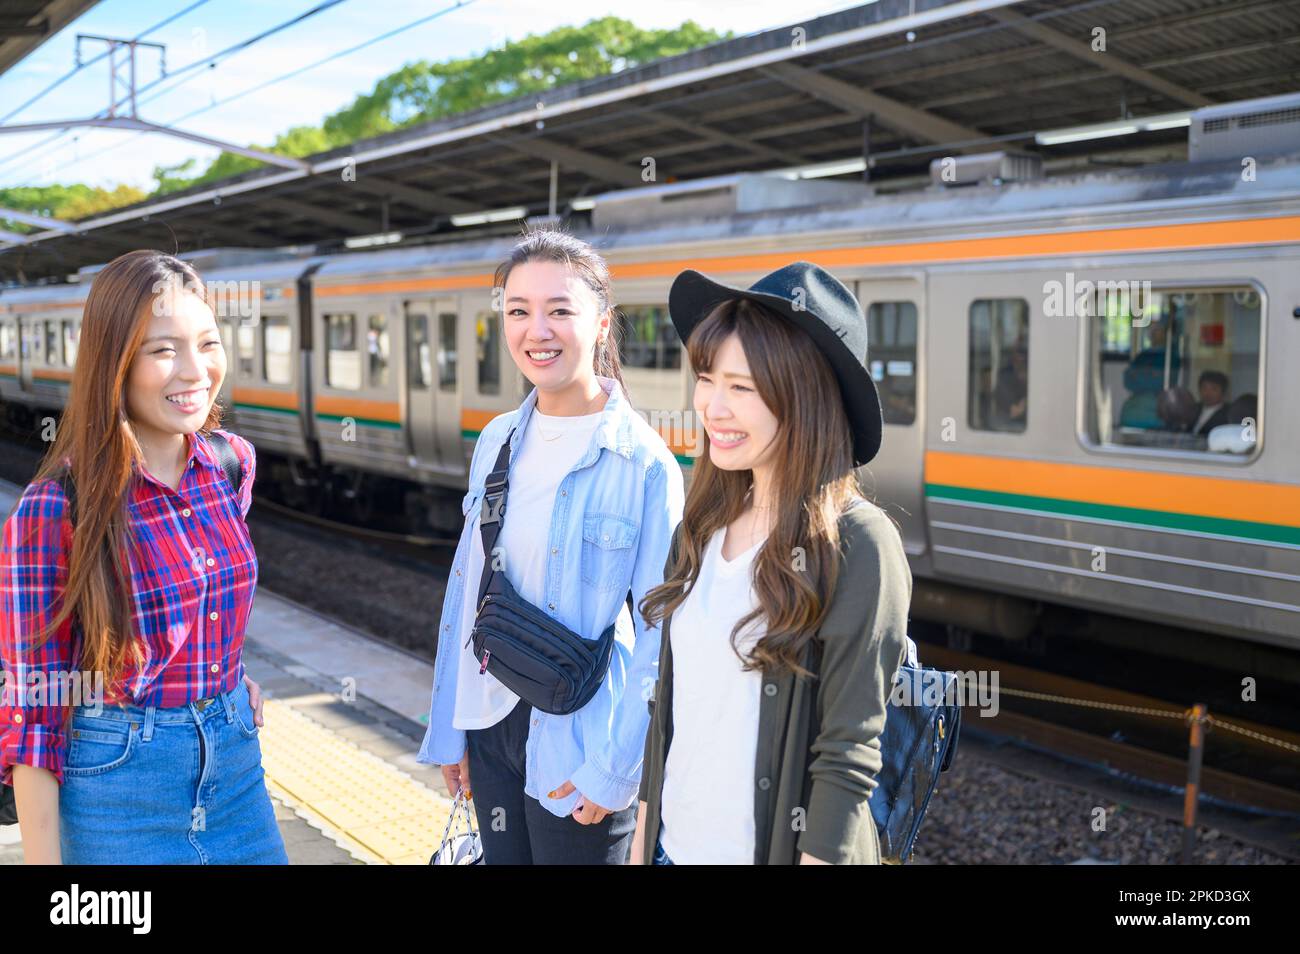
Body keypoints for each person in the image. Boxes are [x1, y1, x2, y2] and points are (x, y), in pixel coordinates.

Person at [0, 249, 285, 865]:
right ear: (115, 364)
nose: (195, 370)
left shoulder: (230, 464)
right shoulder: (55, 508)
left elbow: (207, 605)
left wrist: (226, 676)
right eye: (163, 350)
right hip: (118, 790)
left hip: (237, 774)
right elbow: (33, 713)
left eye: (207, 343)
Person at [417, 228, 683, 864]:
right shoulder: (498, 440)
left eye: (559, 310)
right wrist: (451, 729)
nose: (537, 330)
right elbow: (466, 589)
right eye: (518, 311)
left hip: (581, 738)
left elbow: (660, 632)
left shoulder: (644, 461)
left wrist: (616, 771)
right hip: (490, 723)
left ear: (600, 323)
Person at [632, 262, 911, 865]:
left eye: (743, 387)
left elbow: (847, 754)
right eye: (707, 378)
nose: (712, 406)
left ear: (803, 398)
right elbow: (667, 720)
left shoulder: (860, 546)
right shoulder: (699, 528)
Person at [1189, 370, 1231, 437]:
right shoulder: (1192, 408)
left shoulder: (1229, 413)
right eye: (1204, 388)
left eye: (1214, 389)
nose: (1208, 393)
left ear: (1223, 391)